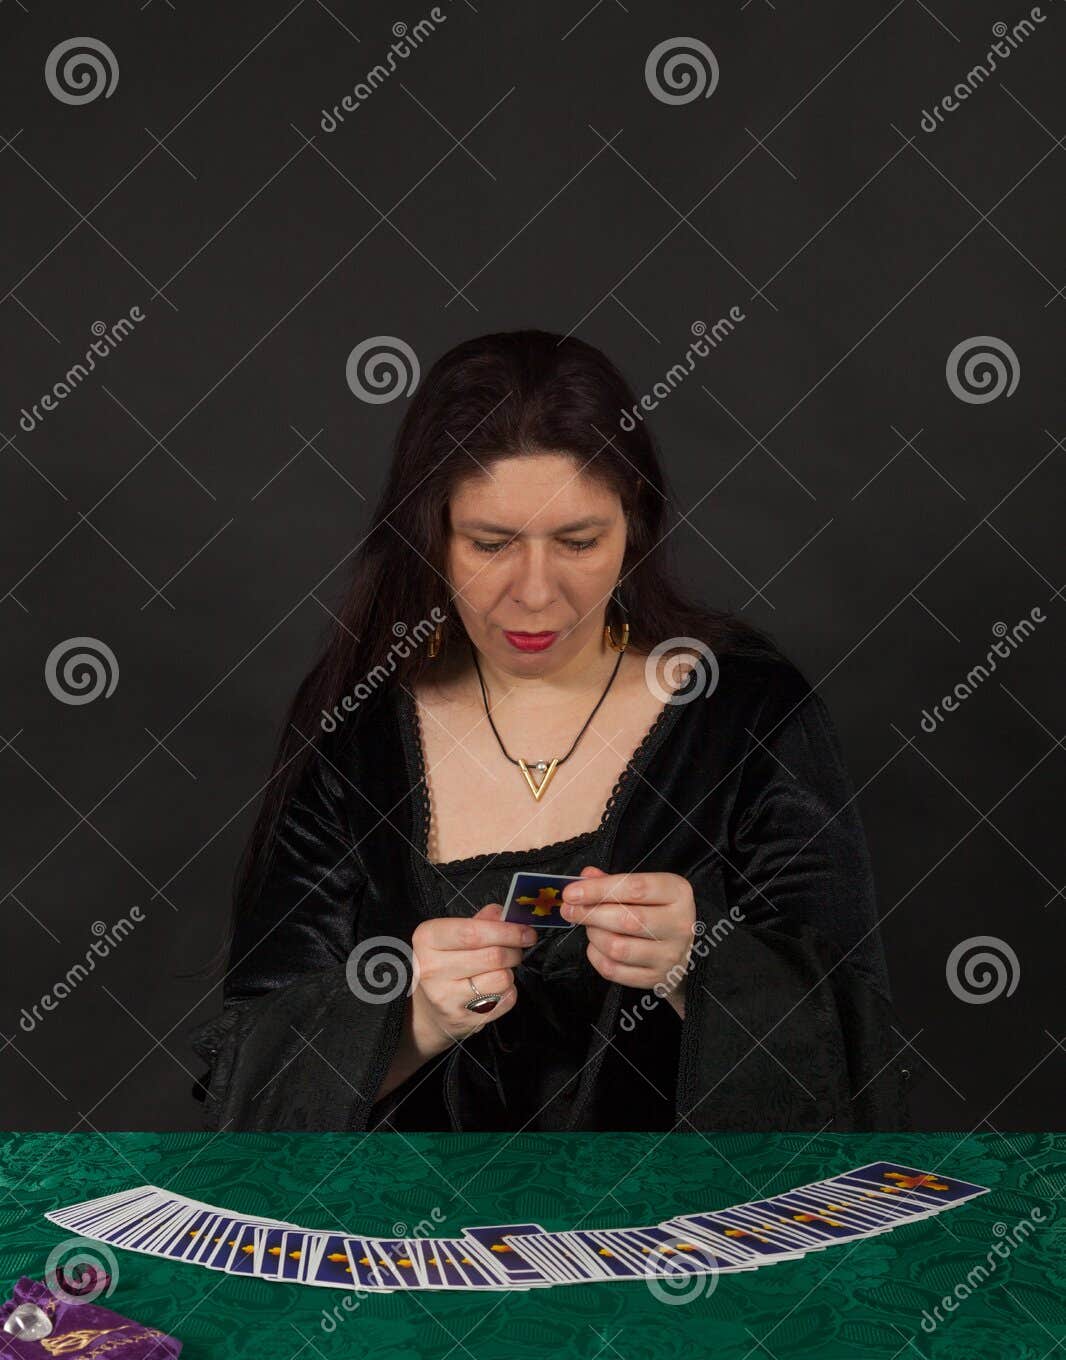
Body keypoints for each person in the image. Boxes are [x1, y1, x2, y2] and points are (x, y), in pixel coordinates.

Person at [189, 329, 918, 1131]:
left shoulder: (749, 711)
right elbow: (246, 1085)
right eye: (490, 544)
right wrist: (410, 1021)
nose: (536, 594)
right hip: (411, 1216)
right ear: (431, 532)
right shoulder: (356, 731)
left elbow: (863, 1059)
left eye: (578, 541)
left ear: (633, 519)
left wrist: (700, 967)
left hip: (686, 1213)